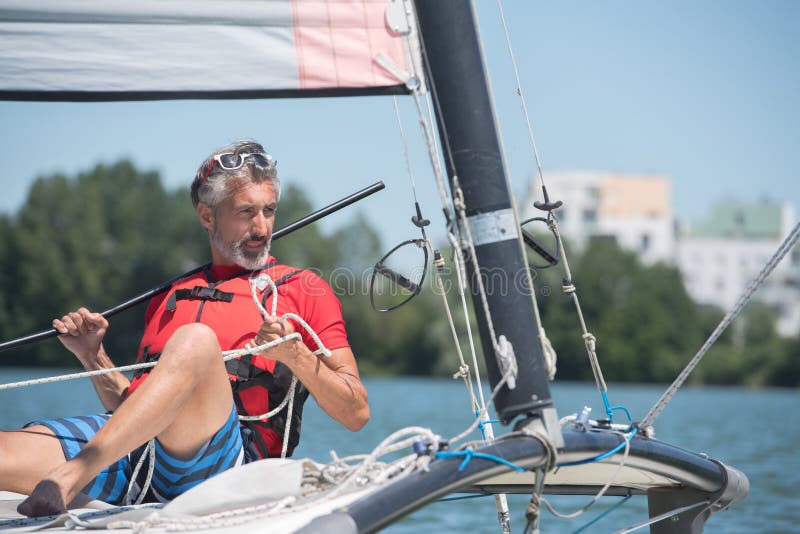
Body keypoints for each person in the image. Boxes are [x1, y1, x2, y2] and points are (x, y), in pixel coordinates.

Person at [0, 140, 370, 517]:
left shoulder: (302, 290)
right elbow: (134, 412)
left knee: (195, 342)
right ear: (207, 216)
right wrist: (93, 356)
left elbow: (356, 412)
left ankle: (69, 477)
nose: (261, 226)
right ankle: (73, 474)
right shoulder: (170, 297)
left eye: (269, 210)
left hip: (229, 467)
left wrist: (297, 356)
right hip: (141, 459)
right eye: (246, 212)